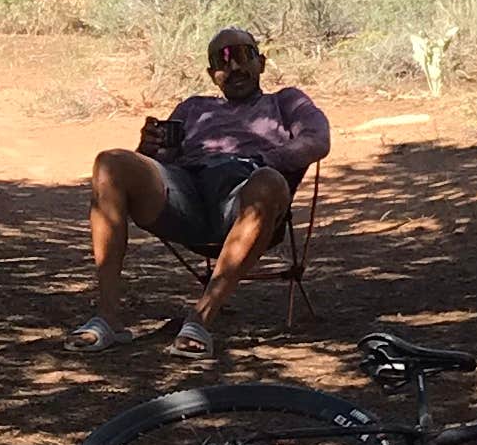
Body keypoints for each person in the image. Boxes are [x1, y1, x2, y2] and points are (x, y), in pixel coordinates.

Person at [75, 26, 331, 354]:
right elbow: (161, 163)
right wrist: (148, 149)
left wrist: (263, 159)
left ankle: (200, 320)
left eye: (243, 55)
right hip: (186, 192)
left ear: (262, 62)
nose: (234, 66)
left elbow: (317, 140)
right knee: (110, 162)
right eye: (222, 61)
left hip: (244, 193)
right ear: (213, 75)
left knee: (269, 182)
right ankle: (107, 318)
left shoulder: (286, 101)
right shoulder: (193, 108)